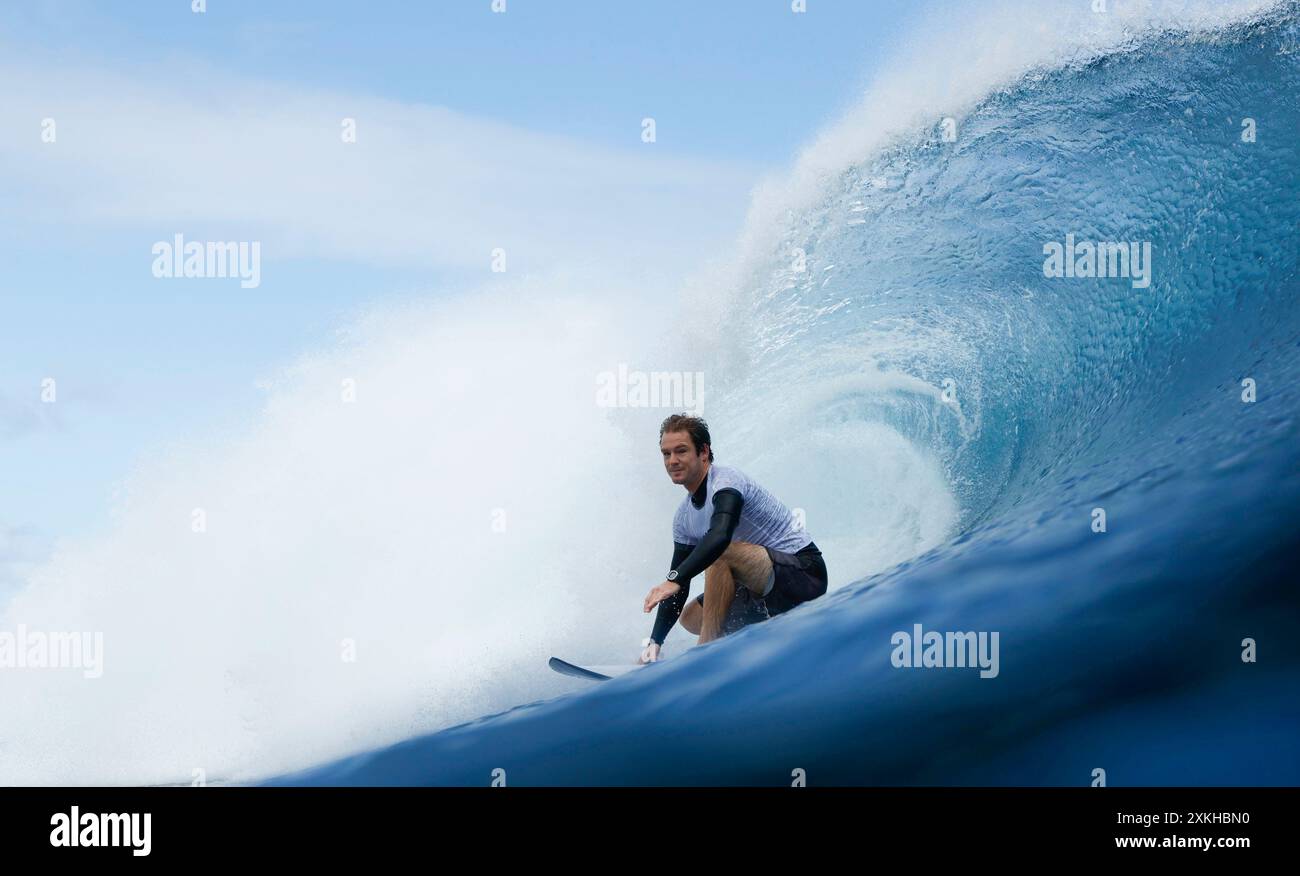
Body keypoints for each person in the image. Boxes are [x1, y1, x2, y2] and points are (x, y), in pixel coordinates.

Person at [639, 414, 828, 663]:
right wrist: (655, 642)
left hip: (804, 574)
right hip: (761, 591)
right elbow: (678, 585)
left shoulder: (727, 481)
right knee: (691, 617)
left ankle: (705, 655)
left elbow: (720, 535)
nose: (672, 461)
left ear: (704, 452)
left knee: (720, 554)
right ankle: (749, 646)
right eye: (666, 454)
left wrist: (674, 579)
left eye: (681, 451)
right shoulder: (684, 518)